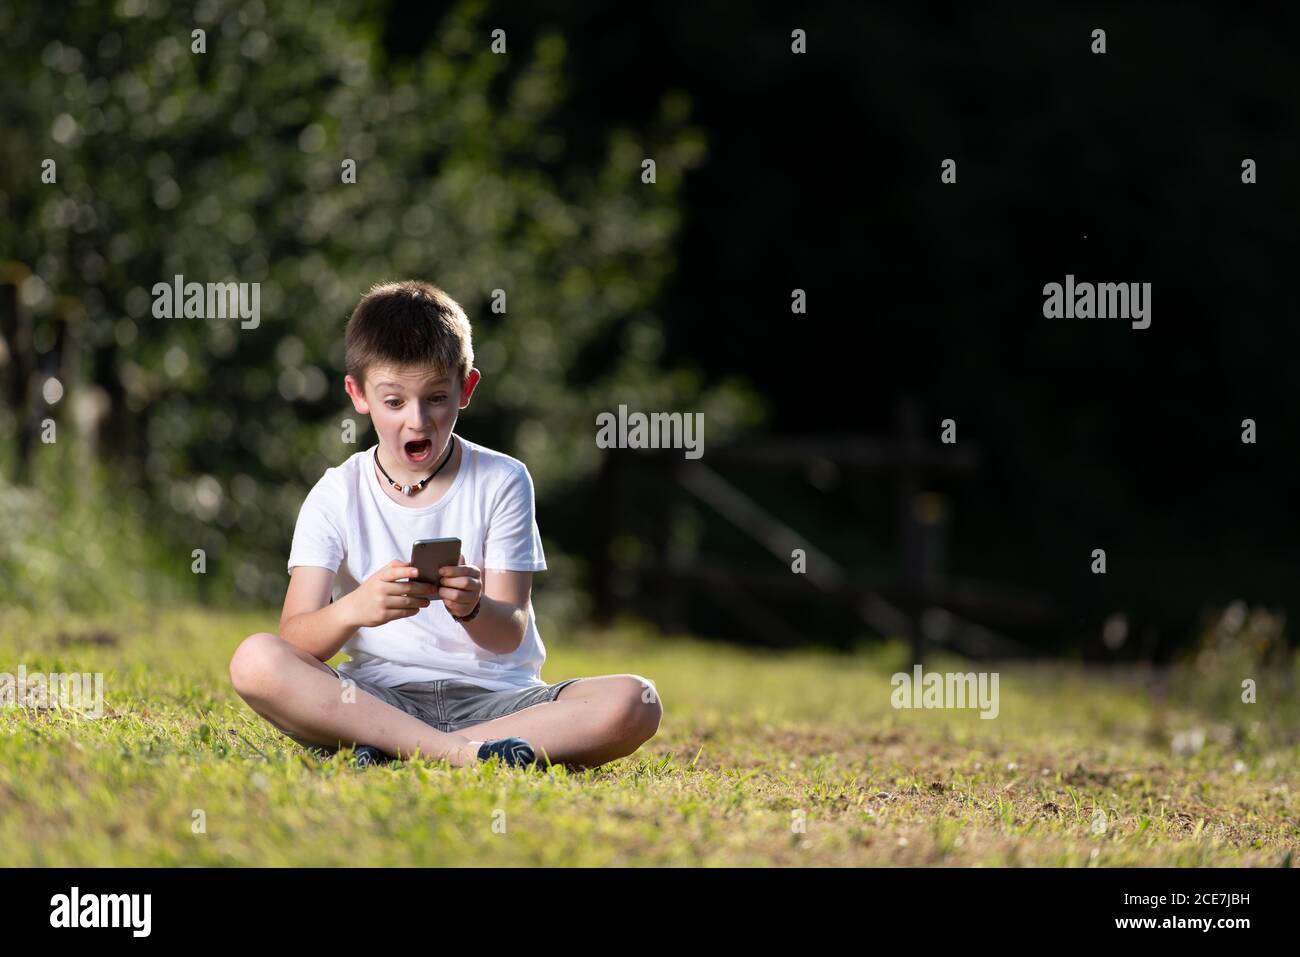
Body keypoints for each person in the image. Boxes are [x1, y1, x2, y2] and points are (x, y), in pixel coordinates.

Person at [229, 280, 662, 769]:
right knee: (255, 659)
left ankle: (400, 751)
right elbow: (296, 640)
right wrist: (356, 607)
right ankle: (460, 755)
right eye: (394, 402)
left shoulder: (502, 479)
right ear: (358, 394)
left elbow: (509, 632)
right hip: (376, 700)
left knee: (637, 701)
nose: (417, 421)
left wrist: (474, 608)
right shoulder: (336, 493)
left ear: (466, 388)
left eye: (436, 398)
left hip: (498, 704)